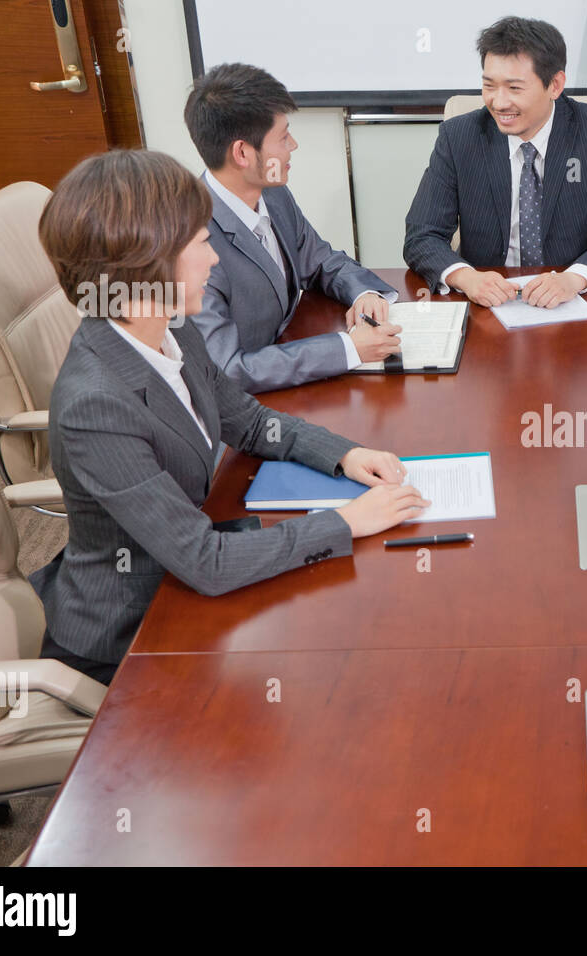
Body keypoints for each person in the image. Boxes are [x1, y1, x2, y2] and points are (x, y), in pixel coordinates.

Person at [32, 150, 430, 683]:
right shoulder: (96, 407)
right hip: (132, 636)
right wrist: (345, 523)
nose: (215, 259)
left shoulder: (171, 328)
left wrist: (344, 455)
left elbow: (245, 420)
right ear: (148, 265)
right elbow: (206, 562)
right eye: (201, 243)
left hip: (188, 579)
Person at [184, 63, 402, 393]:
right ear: (242, 153)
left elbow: (321, 261)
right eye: (283, 137)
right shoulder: (193, 240)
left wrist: (364, 294)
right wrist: (346, 349)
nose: (294, 146)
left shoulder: (273, 191)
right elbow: (229, 370)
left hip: (291, 378)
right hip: (241, 416)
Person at [403, 16, 587, 308]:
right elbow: (422, 236)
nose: (499, 103)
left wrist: (573, 279)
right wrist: (467, 277)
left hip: (569, 301)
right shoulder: (459, 136)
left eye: (514, 88)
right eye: (489, 85)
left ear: (555, 85)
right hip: (488, 303)